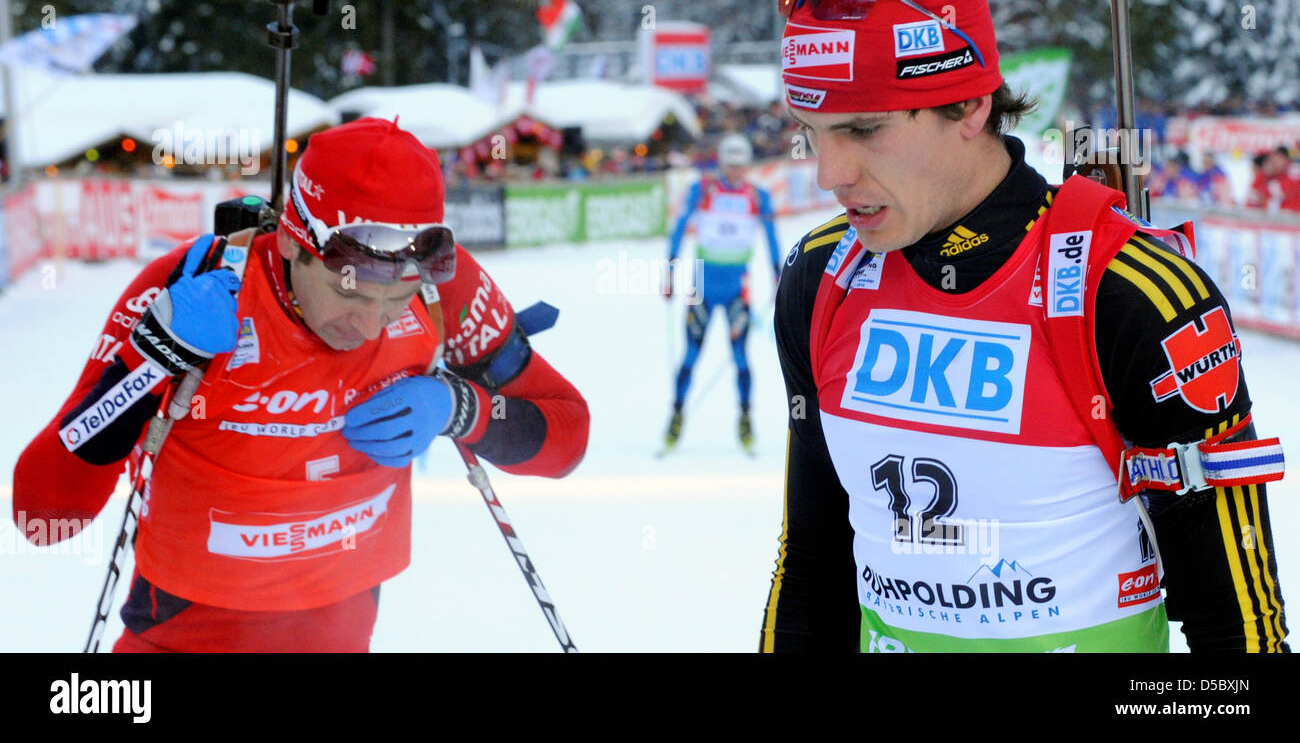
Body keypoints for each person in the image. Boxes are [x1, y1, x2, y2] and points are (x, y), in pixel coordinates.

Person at [760, 0, 1287, 652]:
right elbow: (811, 564)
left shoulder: (1130, 294)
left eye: (864, 130)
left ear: (970, 106)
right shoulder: (823, 278)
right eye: (813, 132)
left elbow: (1239, 628)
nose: (830, 173)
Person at [12, 117, 589, 652]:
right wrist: (146, 364)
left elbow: (568, 435)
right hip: (180, 635)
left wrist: (462, 408)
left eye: (395, 303)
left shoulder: (446, 288)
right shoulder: (202, 284)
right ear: (293, 241)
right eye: (349, 293)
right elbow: (40, 515)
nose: (367, 327)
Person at [661, 133, 783, 454]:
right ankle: (675, 415)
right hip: (702, 283)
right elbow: (679, 228)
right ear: (721, 163)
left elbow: (771, 235)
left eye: (741, 166)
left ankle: (745, 419)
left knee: (741, 357)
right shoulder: (701, 190)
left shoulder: (759, 196)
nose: (735, 172)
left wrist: (777, 273)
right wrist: (670, 270)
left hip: (737, 287)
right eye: (730, 166)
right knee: (690, 355)